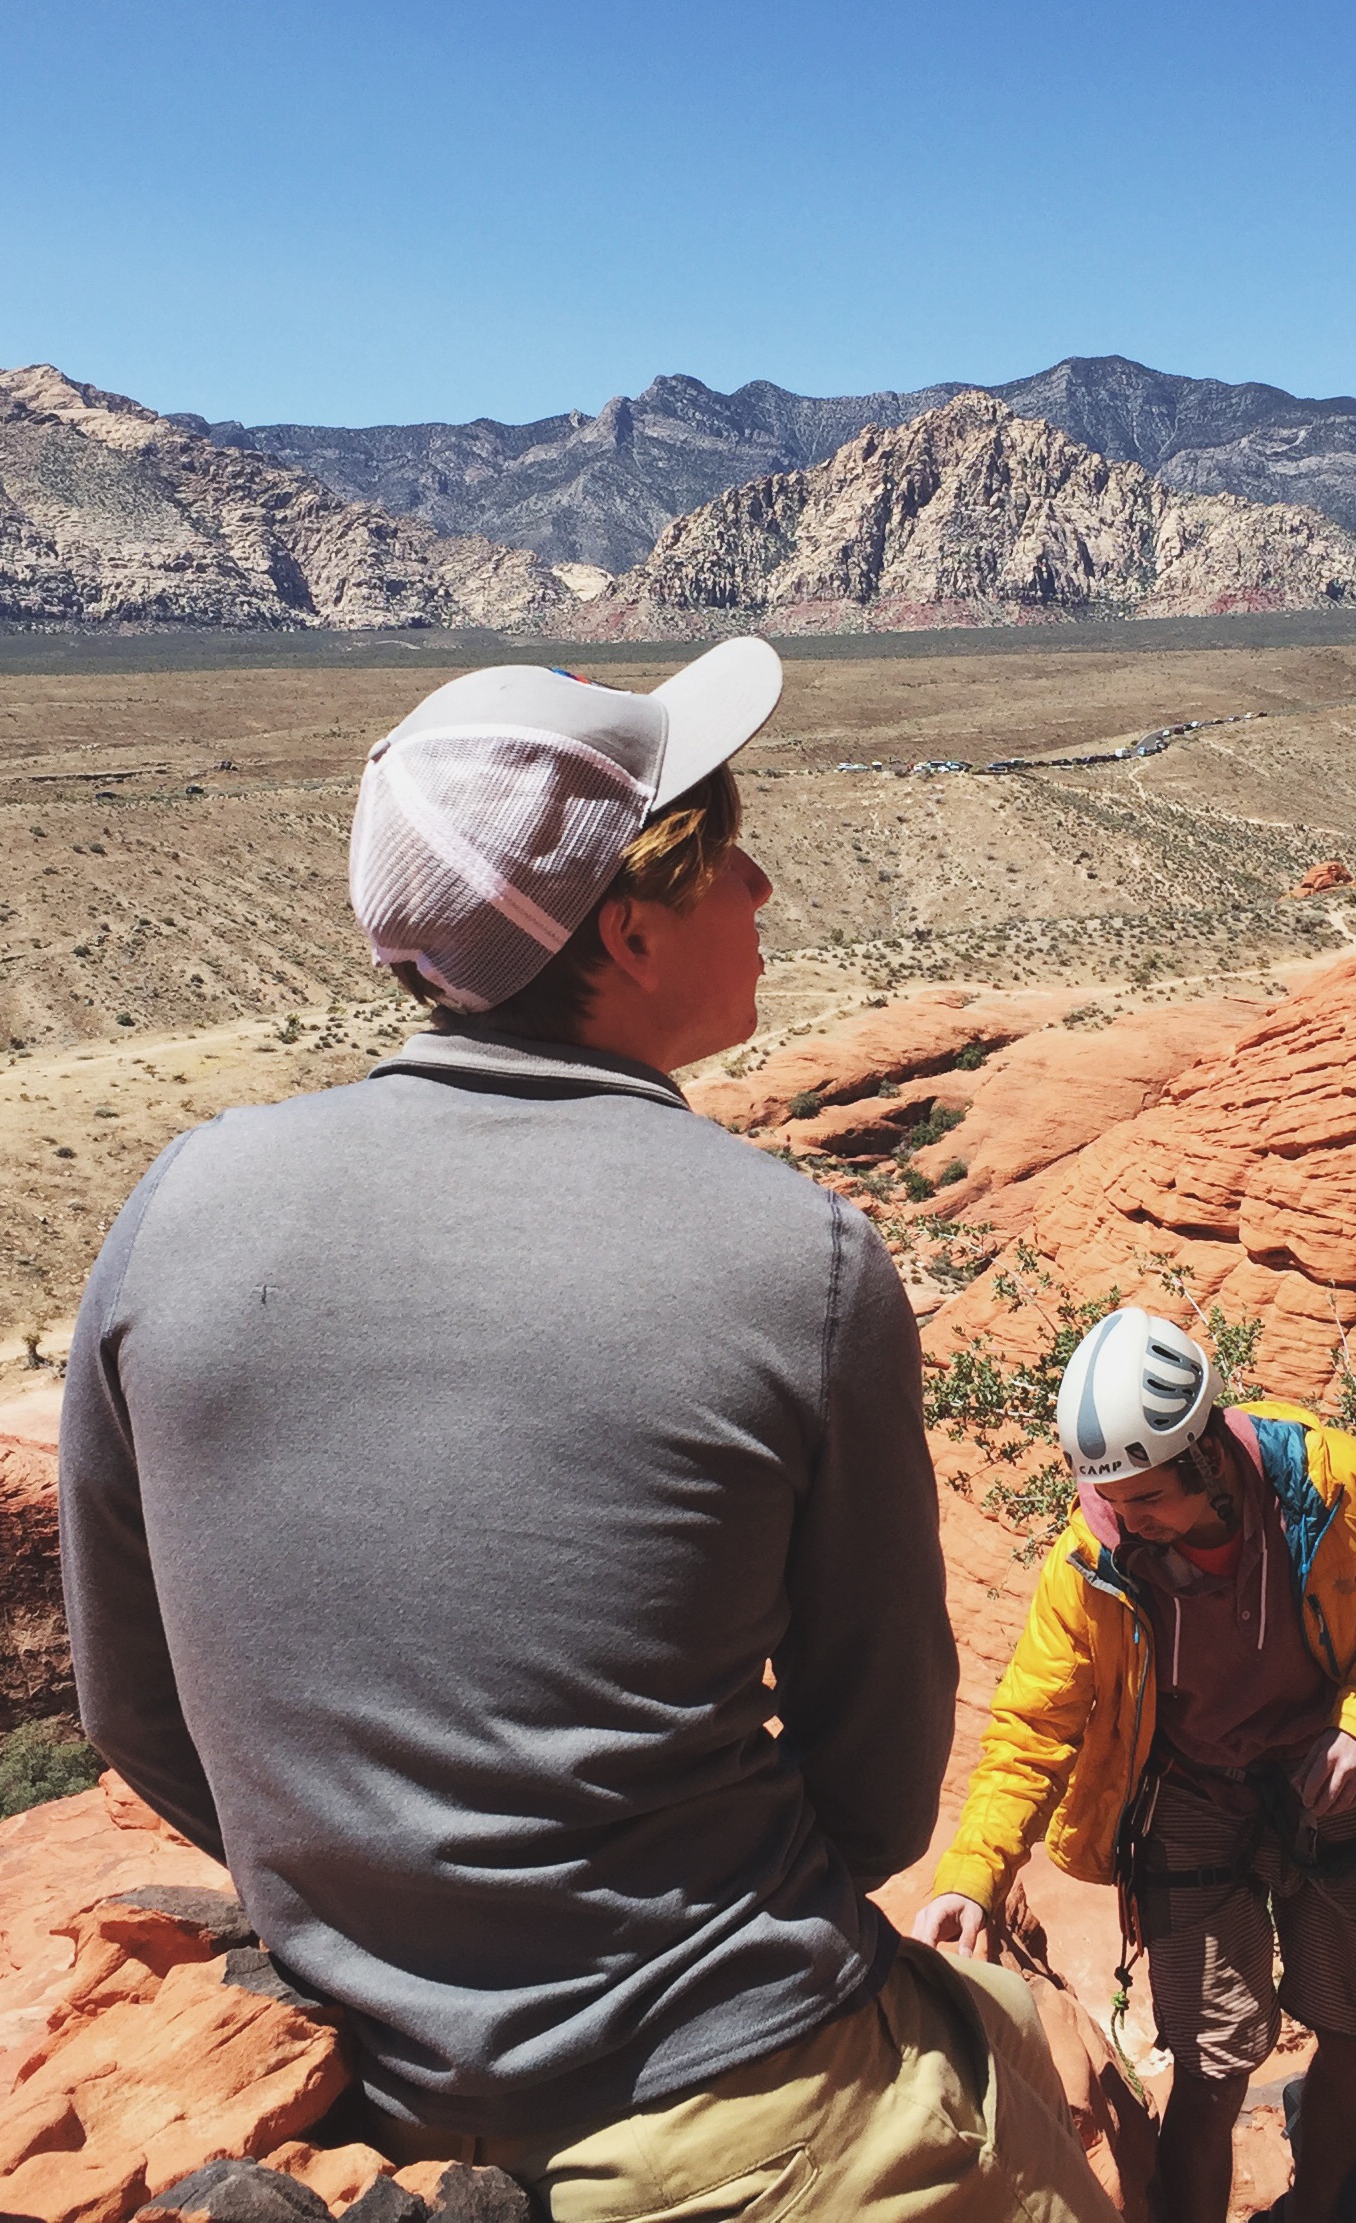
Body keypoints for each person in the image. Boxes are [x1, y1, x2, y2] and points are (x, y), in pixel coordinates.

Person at [60, 640, 1115, 2221]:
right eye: (726, 860)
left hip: (374, 2087)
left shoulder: (181, 1204)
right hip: (739, 2105)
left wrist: (401, 1926)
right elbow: (885, 1781)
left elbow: (135, 1705)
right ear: (624, 933)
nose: (761, 888)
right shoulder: (795, 1259)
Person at [910, 1307, 1356, 2223]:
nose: (1121, 1519)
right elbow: (1033, 1725)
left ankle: (1316, 2208)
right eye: (1108, 1497)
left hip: (1334, 1775)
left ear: (1209, 1454)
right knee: (1214, 2070)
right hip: (1189, 1797)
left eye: (1145, 1498)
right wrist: (974, 1877)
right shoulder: (1093, 1558)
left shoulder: (1332, 1487)